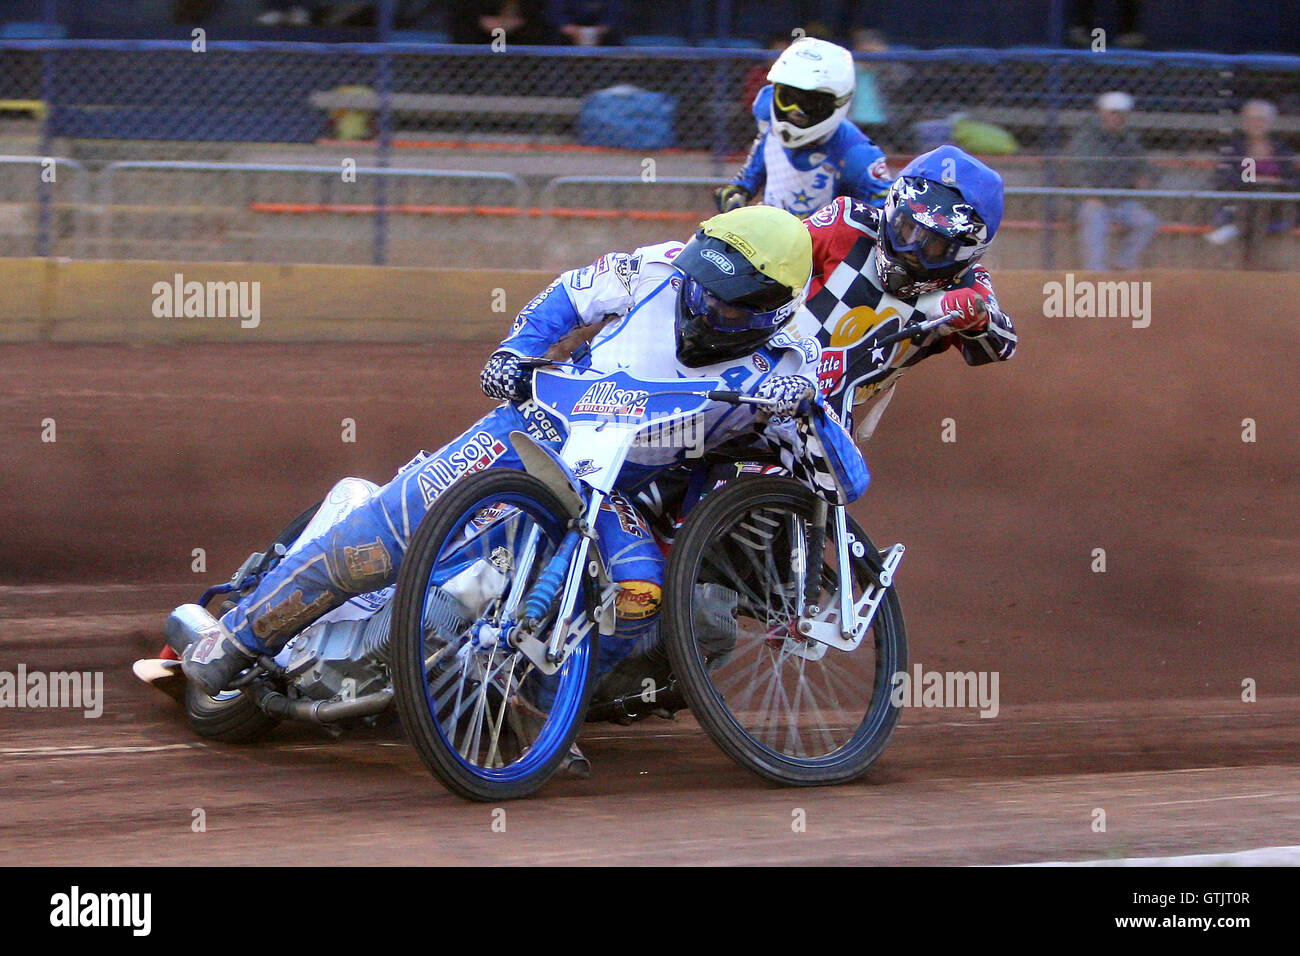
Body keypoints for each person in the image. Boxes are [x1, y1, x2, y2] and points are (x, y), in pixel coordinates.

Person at [178, 206, 867, 708]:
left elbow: (844, 482)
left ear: (771, 310)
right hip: (529, 430)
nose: (700, 303)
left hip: (608, 488)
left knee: (640, 594)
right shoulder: (657, 267)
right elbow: (571, 293)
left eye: (723, 304)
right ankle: (235, 642)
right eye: (698, 284)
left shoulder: (787, 360)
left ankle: (539, 705)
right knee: (380, 542)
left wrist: (804, 403)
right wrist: (517, 350)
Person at [794, 145, 1017, 439]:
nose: (912, 251)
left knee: (830, 483)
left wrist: (979, 320)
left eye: (934, 246)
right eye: (906, 230)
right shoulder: (847, 221)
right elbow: (779, 248)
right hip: (759, 361)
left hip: (826, 414)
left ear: (966, 253)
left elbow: (1003, 346)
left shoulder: (968, 285)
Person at [715, 36, 892, 219]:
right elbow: (761, 155)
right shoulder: (766, 110)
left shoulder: (857, 154)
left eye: (810, 103)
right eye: (787, 99)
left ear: (837, 103)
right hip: (769, 236)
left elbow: (887, 215)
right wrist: (739, 190)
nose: (795, 113)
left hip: (820, 246)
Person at [1066, 91, 1160, 271]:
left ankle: (1123, 265)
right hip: (1091, 200)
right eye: (1113, 113)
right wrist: (1088, 193)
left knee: (1147, 221)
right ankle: (1096, 273)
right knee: (1094, 219)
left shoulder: (1128, 140)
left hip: (1120, 200)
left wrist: (1145, 176)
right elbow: (1073, 172)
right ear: (1103, 113)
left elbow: (1144, 166)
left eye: (1121, 114)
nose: (1117, 118)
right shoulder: (1085, 139)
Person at [1206, 99, 1299, 264]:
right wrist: (1257, 180)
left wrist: (1272, 182)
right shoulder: (1235, 147)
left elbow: (1292, 179)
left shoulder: (1281, 148)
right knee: (1253, 201)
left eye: (1261, 119)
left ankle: (1237, 232)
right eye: (1250, 119)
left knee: (1262, 197)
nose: (1255, 123)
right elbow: (1225, 177)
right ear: (1243, 122)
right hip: (1242, 201)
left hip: (1277, 205)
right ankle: (1252, 261)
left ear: (1270, 123)